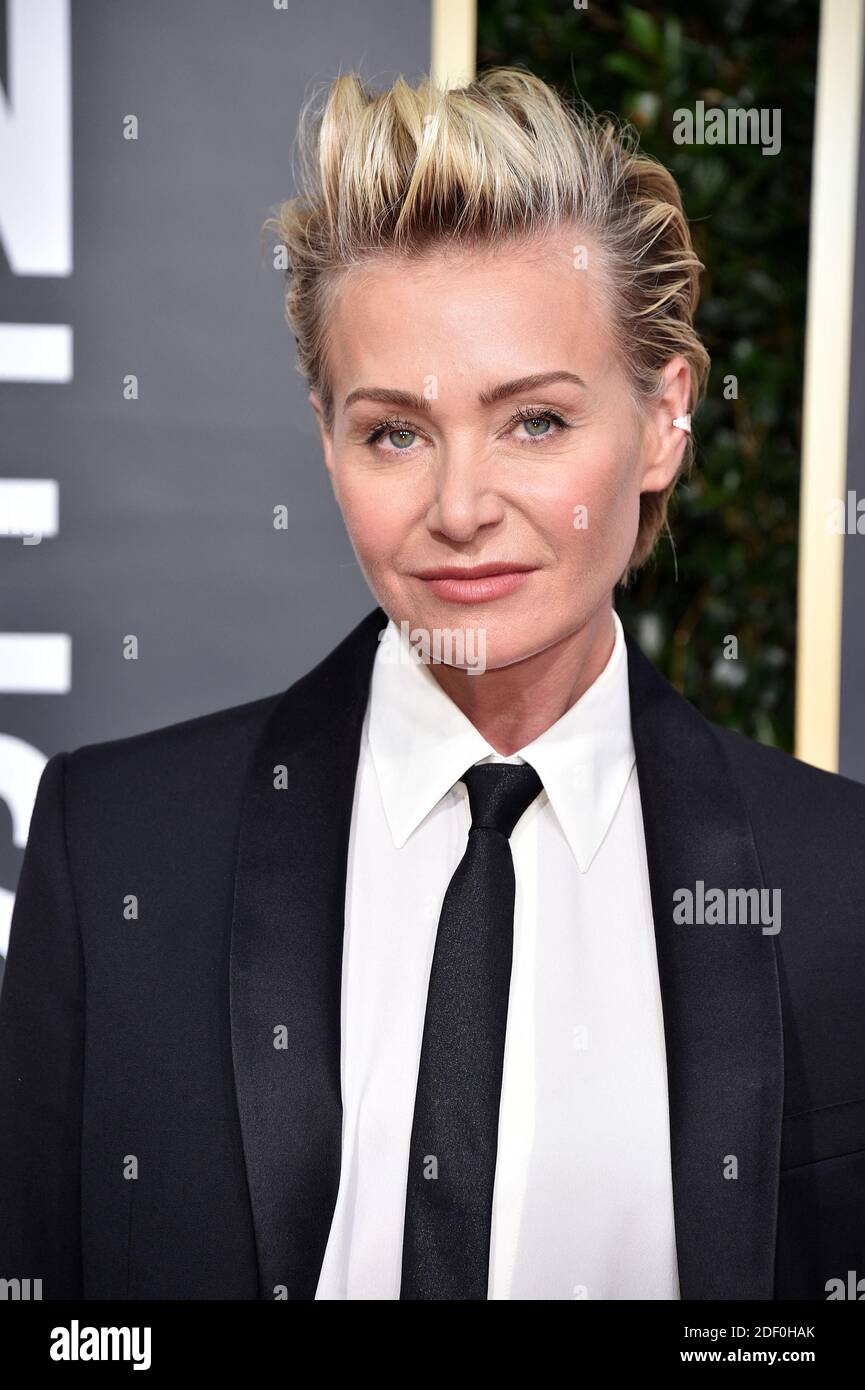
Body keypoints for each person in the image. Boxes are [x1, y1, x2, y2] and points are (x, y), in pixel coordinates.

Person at [1, 66, 864, 1302]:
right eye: (395, 431)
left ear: (666, 417)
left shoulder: (842, 886)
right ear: (326, 436)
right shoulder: (118, 853)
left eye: (534, 422)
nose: (460, 510)